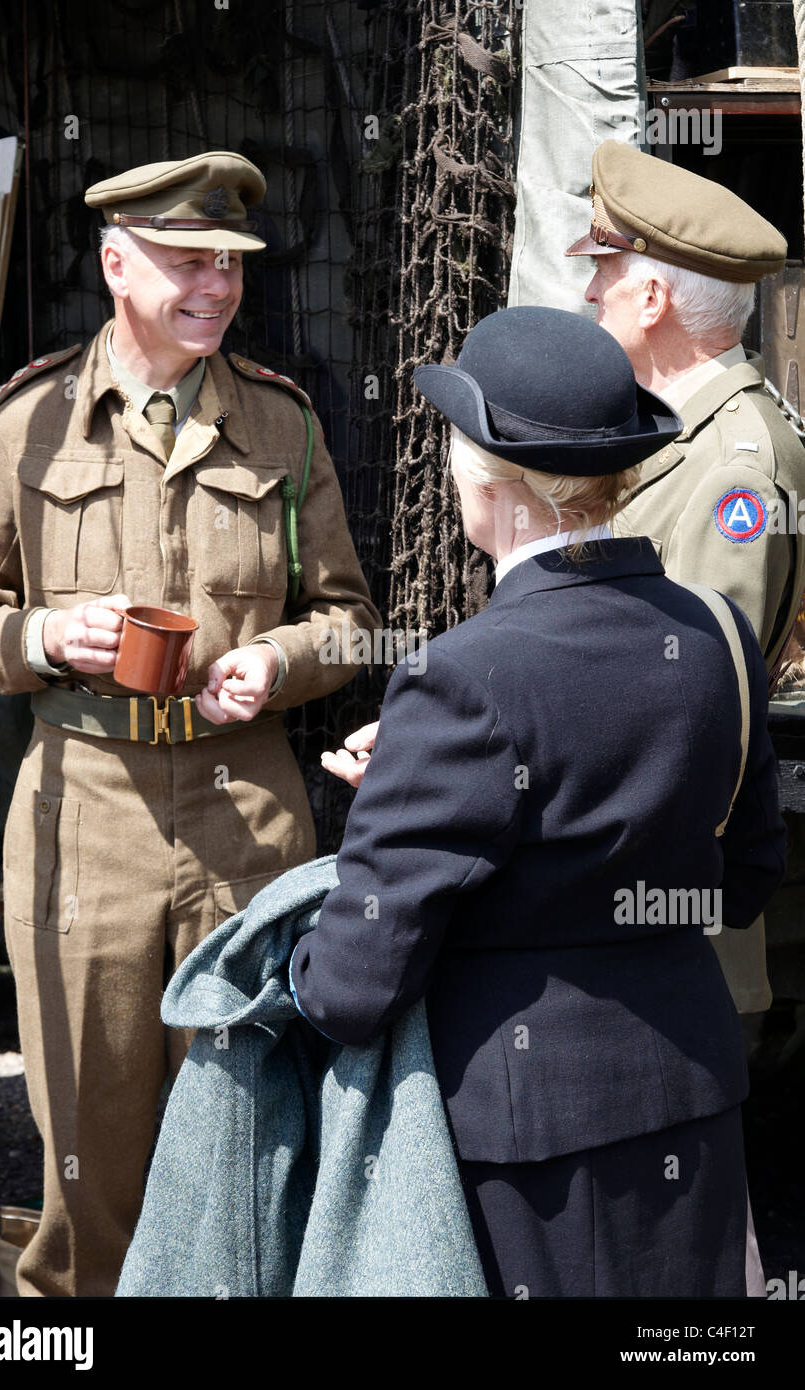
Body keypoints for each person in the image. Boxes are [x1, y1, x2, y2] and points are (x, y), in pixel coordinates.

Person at [0, 151, 380, 1297]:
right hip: (84, 812)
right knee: (90, 1136)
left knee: (251, 1119)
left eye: (230, 265)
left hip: (246, 806)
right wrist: (44, 640)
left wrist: (276, 661)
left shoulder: (283, 426)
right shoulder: (28, 422)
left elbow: (347, 618)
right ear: (114, 263)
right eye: (189, 261)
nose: (218, 286)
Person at [290, 306, 786, 1298]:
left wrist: (394, 817)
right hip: (692, 1096)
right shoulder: (716, 636)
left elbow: (349, 988)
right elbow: (737, 884)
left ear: (485, 477)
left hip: (529, 1150)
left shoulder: (460, 678)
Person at [564, 139, 805, 1023]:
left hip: (662, 923)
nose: (589, 295)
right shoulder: (676, 436)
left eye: (603, 273)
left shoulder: (730, 466)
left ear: (653, 296)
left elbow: (693, 704)